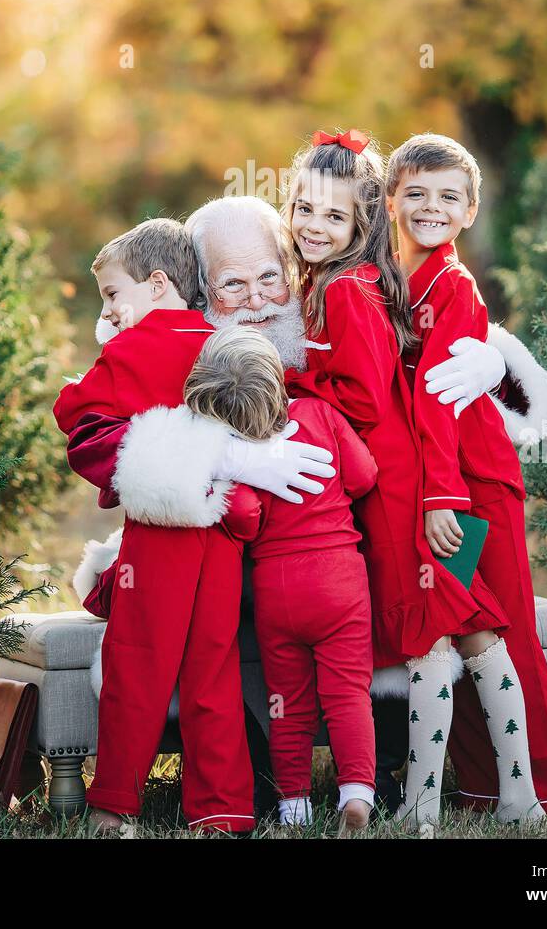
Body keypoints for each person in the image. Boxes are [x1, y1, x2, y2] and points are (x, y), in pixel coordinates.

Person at [279, 129, 542, 825]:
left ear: (362, 221)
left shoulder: (349, 290)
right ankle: (515, 800)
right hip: (413, 478)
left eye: (334, 216)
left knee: (437, 632)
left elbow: (367, 399)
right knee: (468, 626)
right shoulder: (340, 281)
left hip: (406, 488)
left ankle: (433, 804)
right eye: (303, 209)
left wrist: (295, 382)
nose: (313, 225)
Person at [53, 218, 263, 833]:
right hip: (222, 532)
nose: (112, 312)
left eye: (114, 296)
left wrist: (102, 357)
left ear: (156, 282)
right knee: (213, 669)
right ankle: (222, 809)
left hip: (160, 531)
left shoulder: (130, 350)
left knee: (137, 664)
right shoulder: (223, 344)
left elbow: (77, 413)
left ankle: (114, 804)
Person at [387, 132, 547, 817]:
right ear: (390, 200)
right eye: (415, 194)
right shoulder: (391, 281)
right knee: (450, 623)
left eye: (448, 197)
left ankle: (542, 791)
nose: (430, 207)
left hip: (470, 486)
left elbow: (440, 399)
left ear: (470, 210)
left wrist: (442, 497)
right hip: (437, 484)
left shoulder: (454, 287)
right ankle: (475, 786)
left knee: (502, 627)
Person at [184, 325, 379, 831]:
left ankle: (293, 804)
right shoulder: (320, 414)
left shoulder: (241, 464)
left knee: (286, 700)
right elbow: (364, 477)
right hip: (340, 580)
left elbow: (244, 521)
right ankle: (356, 791)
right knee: (347, 692)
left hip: (277, 591)